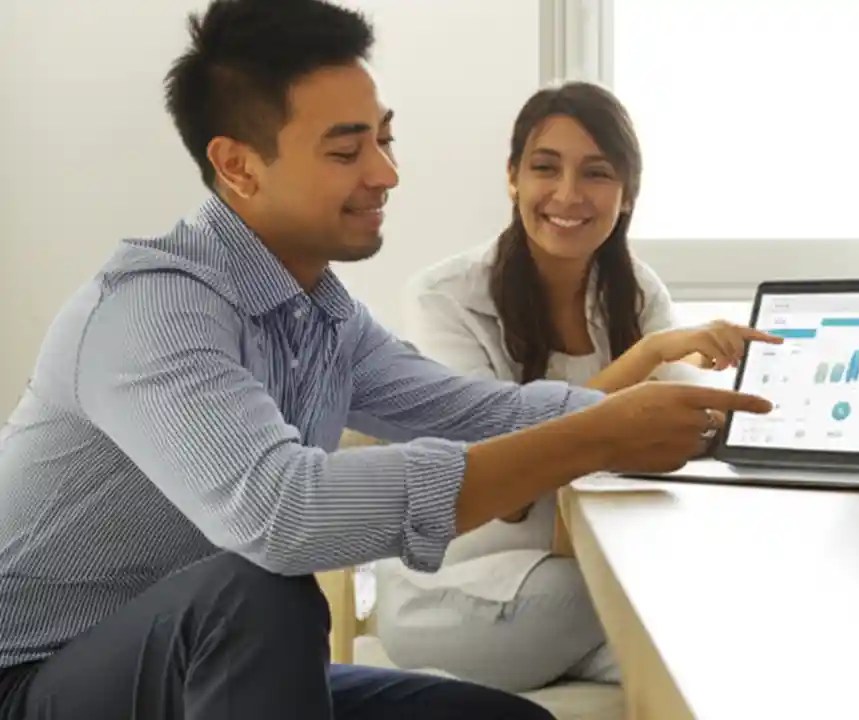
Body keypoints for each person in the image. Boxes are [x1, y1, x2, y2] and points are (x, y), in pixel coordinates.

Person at [0, 2, 771, 719]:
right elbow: (284, 514)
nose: (386, 174)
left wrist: (678, 425)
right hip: (33, 675)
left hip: (197, 657)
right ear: (238, 166)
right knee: (262, 592)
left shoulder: (324, 317)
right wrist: (599, 436)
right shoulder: (152, 307)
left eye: (384, 139)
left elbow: (487, 409)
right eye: (347, 150)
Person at [374, 81, 781, 693]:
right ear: (512, 177)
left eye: (596, 173)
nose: (568, 195)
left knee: (713, 640)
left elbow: (675, 429)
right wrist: (645, 359)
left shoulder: (636, 292)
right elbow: (499, 485)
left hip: (587, 570)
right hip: (459, 590)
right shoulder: (443, 298)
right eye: (545, 168)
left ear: (626, 196)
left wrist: (737, 419)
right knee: (667, 607)